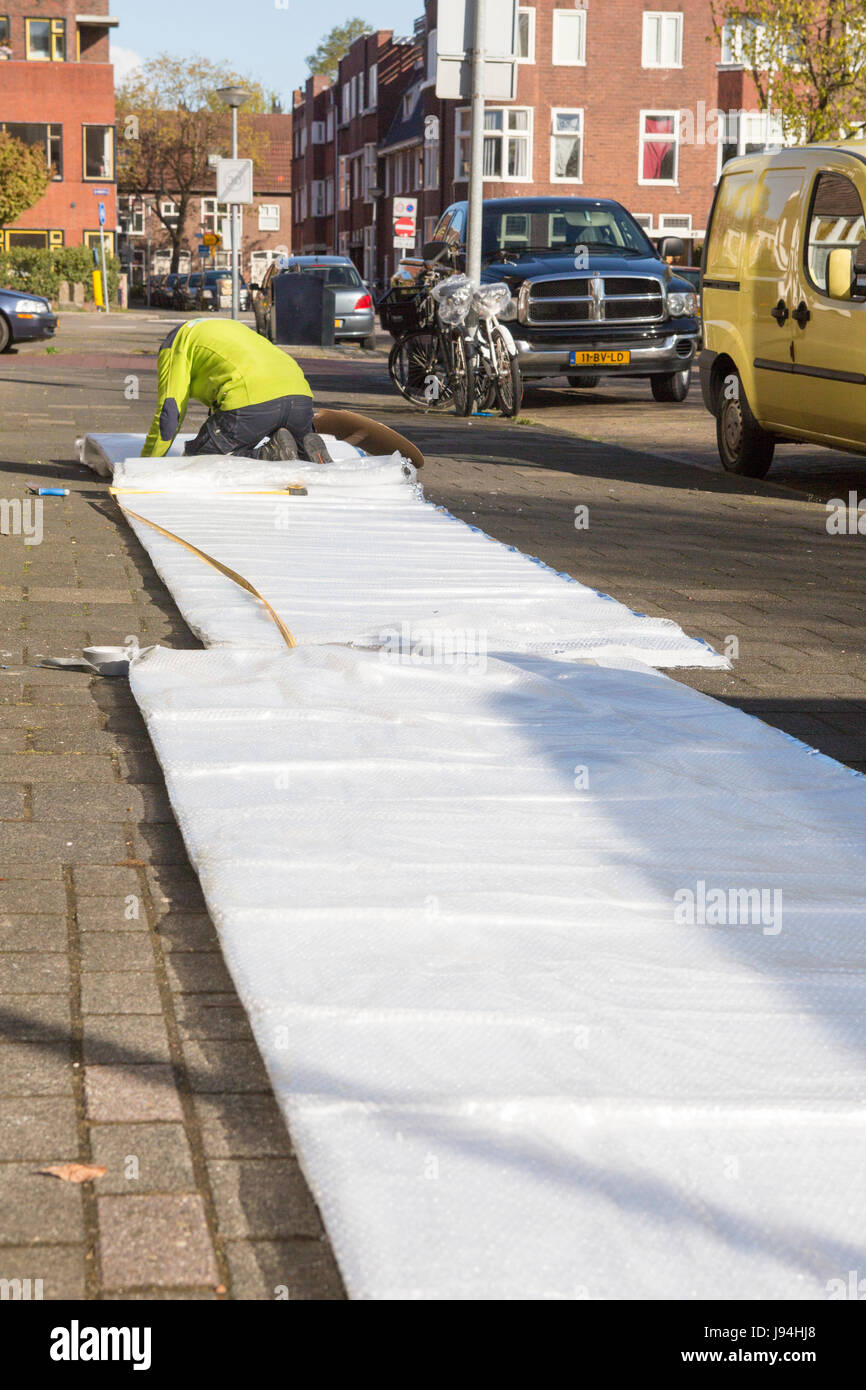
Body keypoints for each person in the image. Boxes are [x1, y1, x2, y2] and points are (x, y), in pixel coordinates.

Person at [142, 318, 330, 463]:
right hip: (300, 398)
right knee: (294, 454)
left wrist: (146, 465)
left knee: (197, 459)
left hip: (251, 400)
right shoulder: (229, 330)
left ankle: (268, 455)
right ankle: (306, 453)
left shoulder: (175, 345)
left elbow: (169, 414)